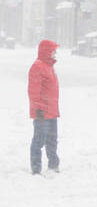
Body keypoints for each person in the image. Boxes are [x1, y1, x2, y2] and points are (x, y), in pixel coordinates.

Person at [28, 38, 60, 175]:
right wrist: (38, 109)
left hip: (52, 111)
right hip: (42, 112)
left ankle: (53, 165)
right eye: (53, 51)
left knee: (52, 141)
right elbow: (33, 91)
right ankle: (36, 168)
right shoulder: (37, 67)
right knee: (39, 141)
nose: (55, 53)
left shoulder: (49, 66)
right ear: (46, 52)